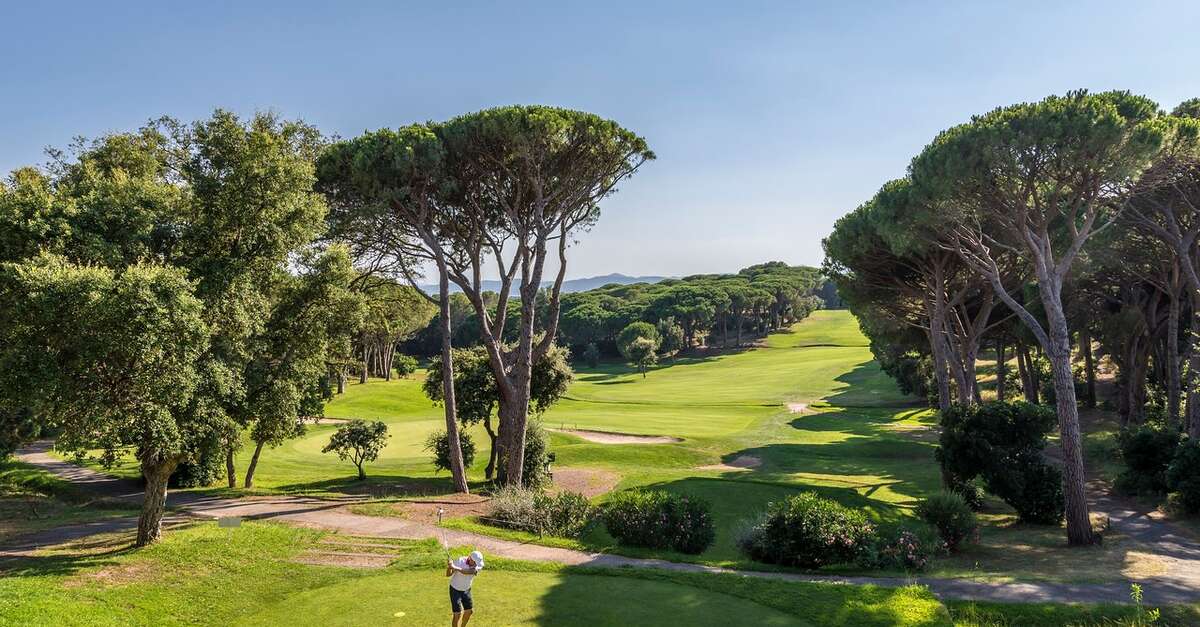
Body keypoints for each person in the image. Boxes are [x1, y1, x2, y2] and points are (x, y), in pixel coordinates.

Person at [446, 550, 484, 626]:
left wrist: (454, 567)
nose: (476, 565)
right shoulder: (460, 561)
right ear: (470, 558)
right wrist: (449, 567)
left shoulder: (478, 566)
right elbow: (448, 574)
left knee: (469, 611)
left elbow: (468, 572)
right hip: (455, 590)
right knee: (457, 614)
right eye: (475, 562)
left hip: (466, 590)